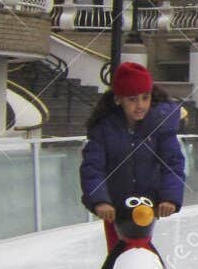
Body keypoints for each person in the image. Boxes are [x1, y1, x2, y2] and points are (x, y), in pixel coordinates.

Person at [80, 62, 186, 253]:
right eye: (132, 100)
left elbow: (173, 163)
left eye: (145, 98)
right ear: (118, 99)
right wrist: (100, 200)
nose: (140, 106)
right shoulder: (104, 128)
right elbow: (92, 167)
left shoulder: (159, 126)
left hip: (146, 205)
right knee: (117, 251)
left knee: (141, 248)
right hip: (115, 207)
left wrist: (169, 197)